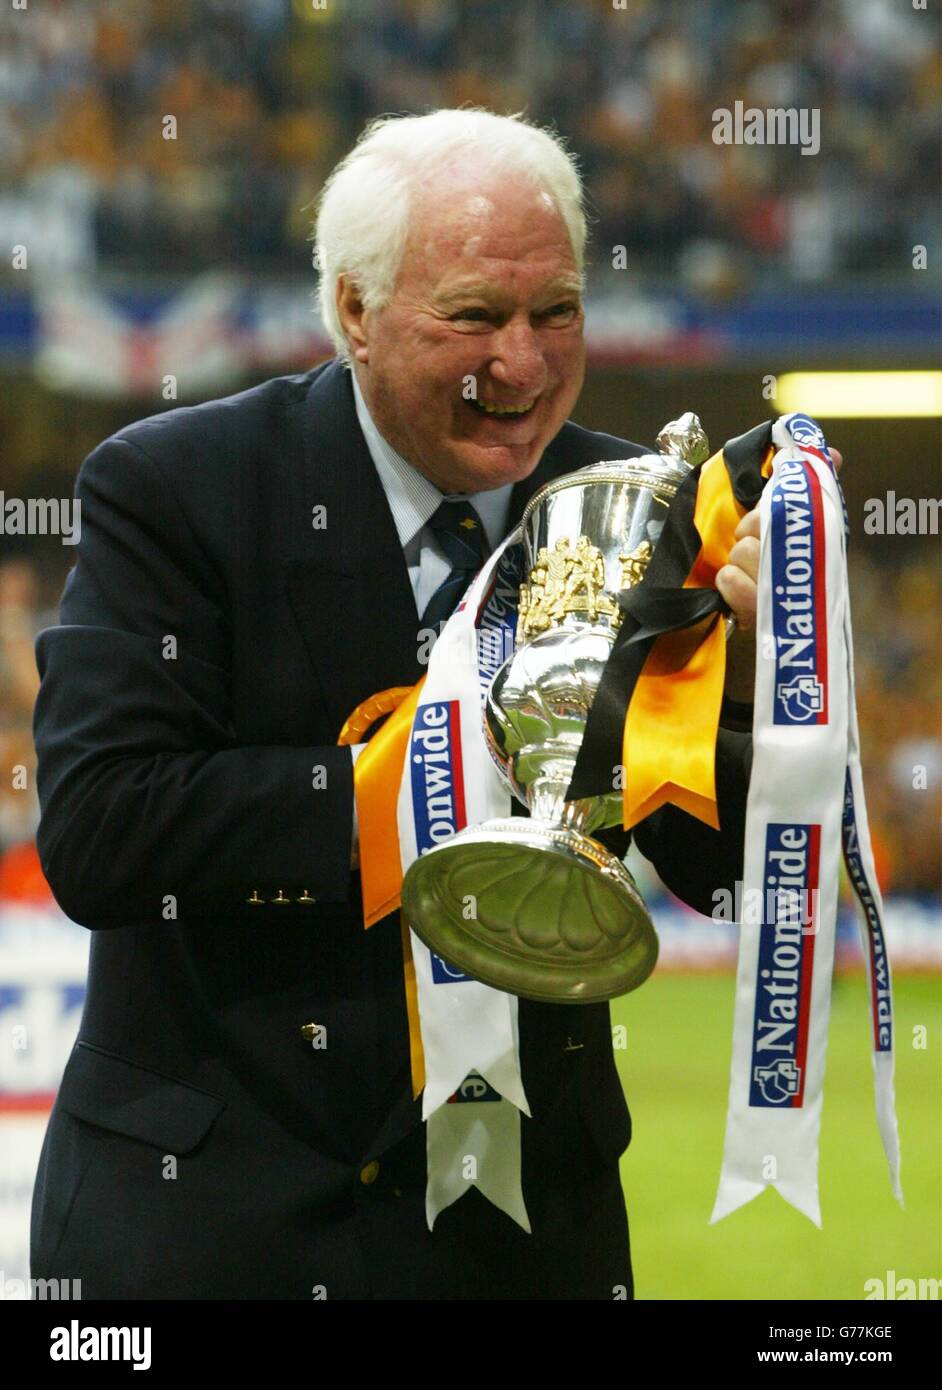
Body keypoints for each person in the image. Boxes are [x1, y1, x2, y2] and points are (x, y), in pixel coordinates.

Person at [30, 109, 761, 1300]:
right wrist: (429, 771)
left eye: (558, 312)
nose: (523, 365)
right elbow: (104, 830)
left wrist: (772, 698)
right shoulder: (175, 487)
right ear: (355, 311)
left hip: (528, 1238)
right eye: (474, 315)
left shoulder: (640, 509)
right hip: (214, 1230)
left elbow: (717, 872)